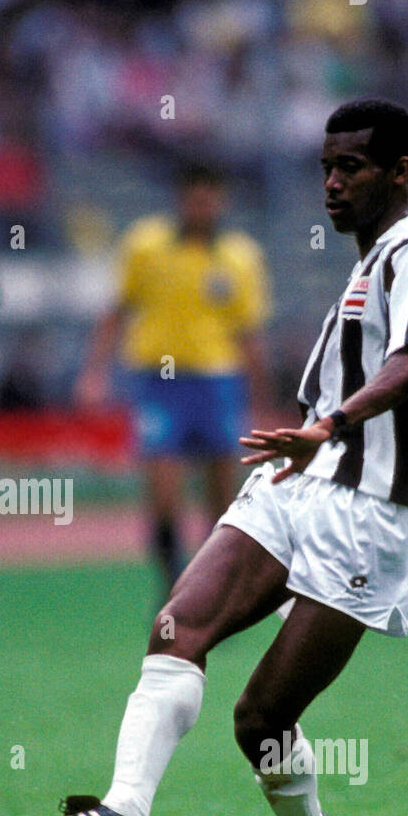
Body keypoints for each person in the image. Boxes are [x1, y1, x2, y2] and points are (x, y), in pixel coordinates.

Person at [16, 100, 408, 816]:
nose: (331, 181)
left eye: (350, 166)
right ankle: (125, 814)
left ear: (401, 172)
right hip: (297, 484)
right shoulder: (369, 264)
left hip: (368, 517)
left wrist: (337, 427)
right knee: (178, 625)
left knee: (260, 719)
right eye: (325, 165)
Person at [76, 164, 273, 595]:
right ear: (180, 199)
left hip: (219, 382)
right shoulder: (145, 245)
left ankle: (210, 591)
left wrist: (262, 402)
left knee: (223, 499)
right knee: (164, 493)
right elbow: (117, 310)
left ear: (221, 201)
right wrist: (95, 373)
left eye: (210, 198)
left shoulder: (241, 257)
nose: (202, 207)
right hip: (161, 383)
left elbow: (249, 335)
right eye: (194, 198)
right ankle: (172, 583)